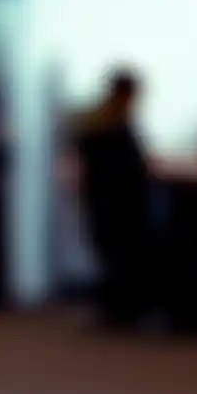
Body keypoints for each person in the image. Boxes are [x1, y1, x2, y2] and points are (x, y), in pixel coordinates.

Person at [74, 69, 156, 325]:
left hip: (107, 198)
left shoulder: (99, 119)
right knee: (120, 255)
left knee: (114, 254)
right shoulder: (109, 122)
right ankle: (120, 311)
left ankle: (119, 310)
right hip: (116, 200)